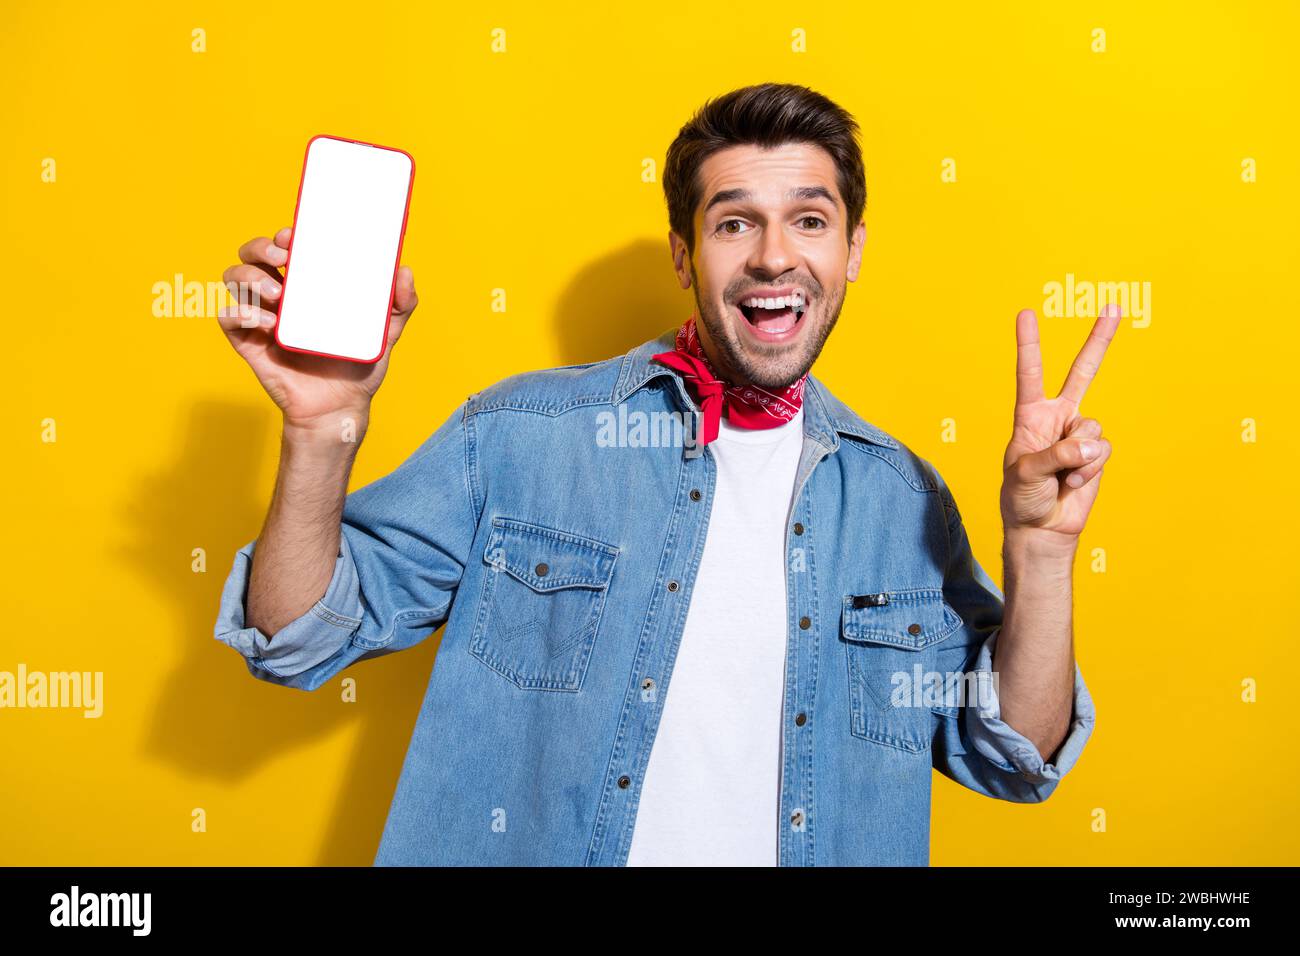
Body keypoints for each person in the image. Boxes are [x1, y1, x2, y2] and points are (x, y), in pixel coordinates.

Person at [213, 82, 1114, 866]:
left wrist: (1040, 551)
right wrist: (322, 429)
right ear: (684, 255)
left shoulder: (902, 502)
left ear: (854, 252)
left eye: (810, 219)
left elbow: (1014, 758)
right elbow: (297, 641)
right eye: (734, 222)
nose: (772, 255)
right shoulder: (521, 437)